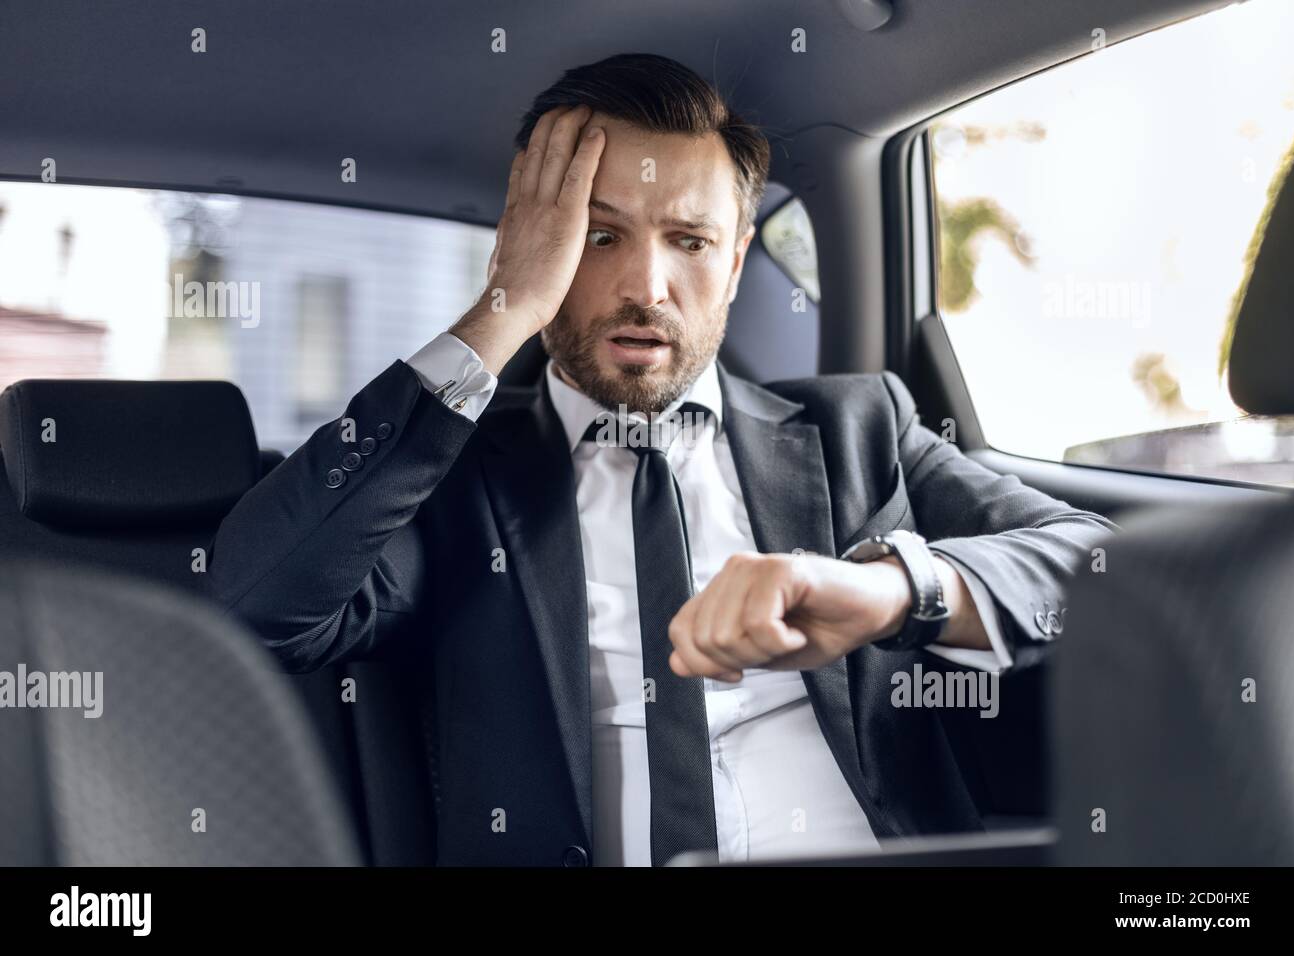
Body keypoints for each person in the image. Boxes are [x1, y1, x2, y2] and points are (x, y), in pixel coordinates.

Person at [208, 53, 1117, 867]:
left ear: (733, 261)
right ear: (534, 245)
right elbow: (258, 605)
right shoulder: (451, 477)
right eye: (600, 237)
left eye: (689, 241)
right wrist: (503, 308)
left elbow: (1100, 565)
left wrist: (891, 589)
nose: (646, 287)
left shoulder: (859, 428)